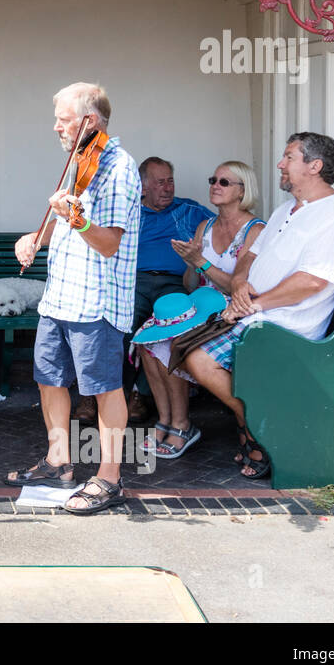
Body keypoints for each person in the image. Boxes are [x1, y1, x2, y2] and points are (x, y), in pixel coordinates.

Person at [182, 133, 334, 478]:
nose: (280, 164)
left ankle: (260, 430)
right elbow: (250, 255)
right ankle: (255, 428)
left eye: (288, 158)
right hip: (256, 313)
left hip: (285, 326)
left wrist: (254, 305)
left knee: (199, 358)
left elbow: (312, 282)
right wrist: (239, 286)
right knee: (185, 346)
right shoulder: (286, 210)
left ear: (315, 166)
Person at [9, 83, 141, 514]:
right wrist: (34, 237)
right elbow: (61, 222)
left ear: (89, 121)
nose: (56, 127)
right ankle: (59, 462)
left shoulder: (119, 168)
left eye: (63, 119)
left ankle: (109, 478)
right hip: (60, 297)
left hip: (97, 300)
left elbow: (108, 244)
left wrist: (75, 218)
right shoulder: (80, 162)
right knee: (49, 379)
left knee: (104, 388)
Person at [133, 160, 264, 458]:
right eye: (213, 180)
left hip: (233, 308)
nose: (214, 186)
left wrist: (201, 262)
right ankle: (165, 419)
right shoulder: (205, 226)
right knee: (148, 337)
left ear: (243, 190)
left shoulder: (255, 230)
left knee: (174, 338)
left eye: (224, 182)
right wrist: (192, 264)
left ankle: (182, 424)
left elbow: (236, 287)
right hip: (204, 302)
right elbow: (192, 280)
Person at [107, 157, 214, 425]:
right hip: (135, 282)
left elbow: (227, 228)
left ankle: (141, 396)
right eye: (159, 182)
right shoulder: (129, 214)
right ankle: (113, 394)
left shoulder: (190, 210)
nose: (167, 188)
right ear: (143, 187)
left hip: (175, 283)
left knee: (165, 327)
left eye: (170, 181)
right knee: (122, 324)